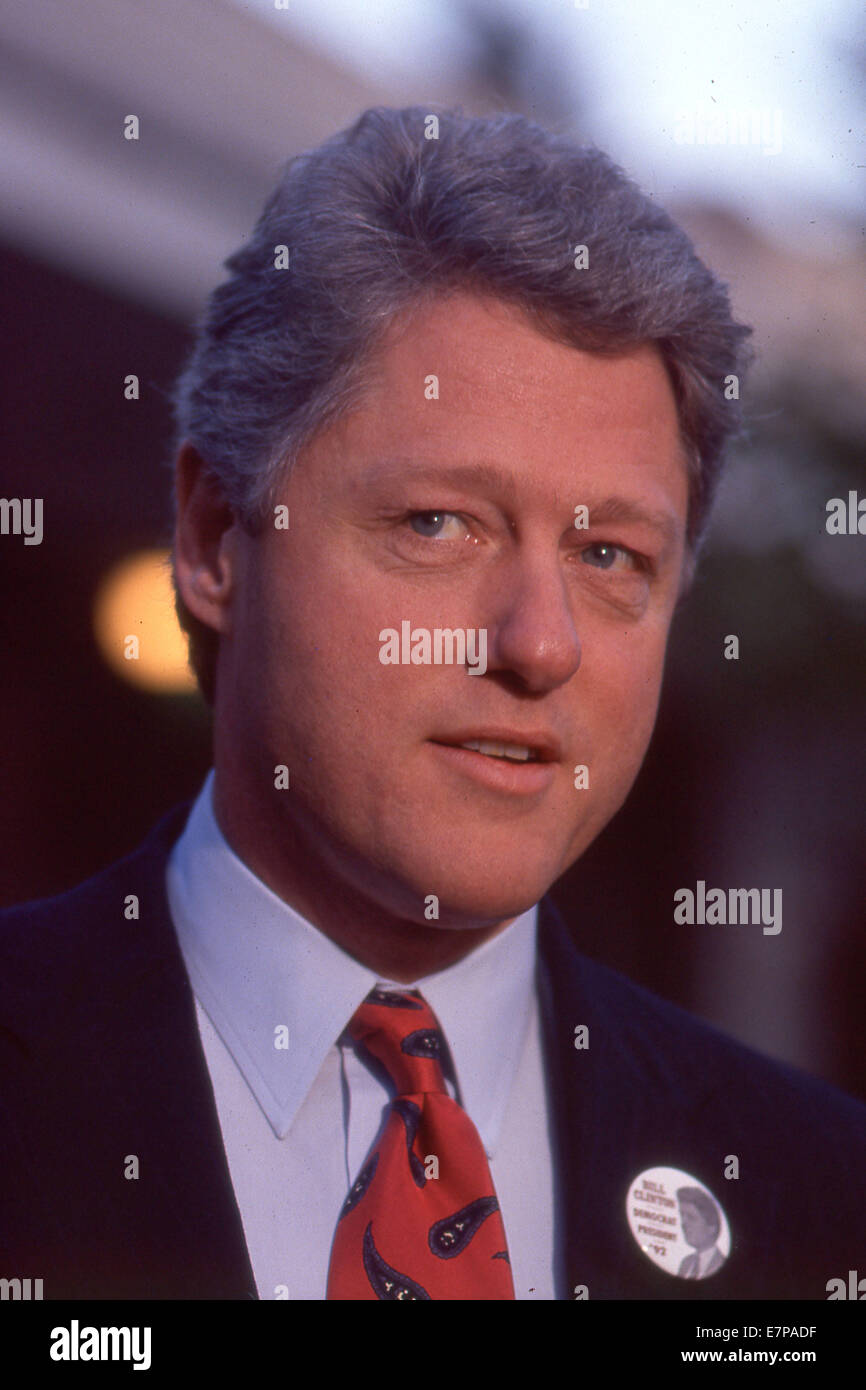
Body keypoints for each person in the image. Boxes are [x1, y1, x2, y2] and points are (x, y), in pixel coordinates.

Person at [1, 105, 864, 1302]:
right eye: (436, 524)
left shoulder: (823, 1201)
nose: (538, 644)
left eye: (609, 556)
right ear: (212, 542)